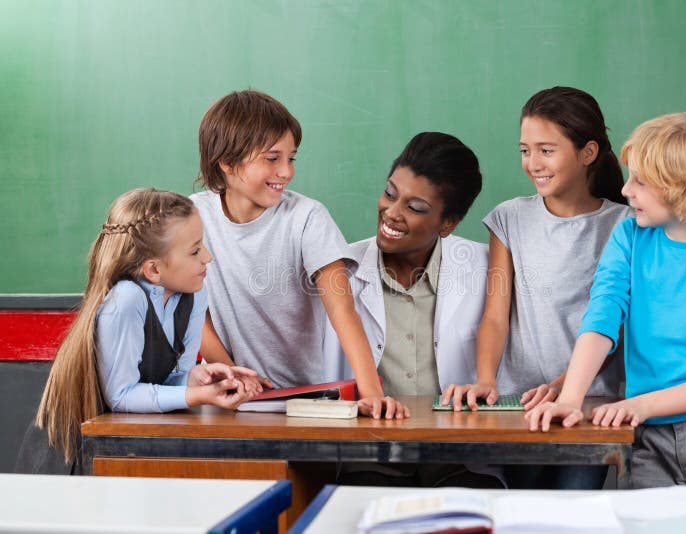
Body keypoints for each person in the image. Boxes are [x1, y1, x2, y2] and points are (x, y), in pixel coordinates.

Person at [527, 112, 686, 532]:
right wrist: (571, 398)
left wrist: (641, 405)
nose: (625, 190)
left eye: (640, 181)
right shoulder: (629, 238)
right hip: (649, 439)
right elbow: (602, 319)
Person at [443, 87, 630, 489]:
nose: (532, 163)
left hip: (588, 405)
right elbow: (495, 314)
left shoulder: (624, 225)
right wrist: (486, 379)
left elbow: (612, 327)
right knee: (521, 513)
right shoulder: (509, 218)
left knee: (571, 515)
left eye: (547, 150)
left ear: (588, 152)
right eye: (525, 150)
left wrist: (566, 386)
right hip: (520, 404)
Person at [191, 90, 408, 419]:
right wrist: (235, 374)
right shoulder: (192, 218)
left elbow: (343, 311)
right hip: (226, 398)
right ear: (228, 162)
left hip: (302, 402)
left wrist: (372, 393)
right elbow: (194, 310)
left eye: (291, 158)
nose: (286, 171)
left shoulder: (307, 217)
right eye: (272, 158)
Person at [17, 188, 259, 475]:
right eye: (195, 250)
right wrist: (197, 396)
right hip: (74, 456)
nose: (207, 257)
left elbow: (168, 380)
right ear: (153, 270)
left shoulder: (194, 295)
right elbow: (121, 396)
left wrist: (195, 379)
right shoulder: (127, 299)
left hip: (126, 445)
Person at [323, 132, 502, 487]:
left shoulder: (485, 270)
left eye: (415, 207)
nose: (392, 212)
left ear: (447, 224)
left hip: (460, 456)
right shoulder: (339, 271)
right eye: (391, 193)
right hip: (368, 456)